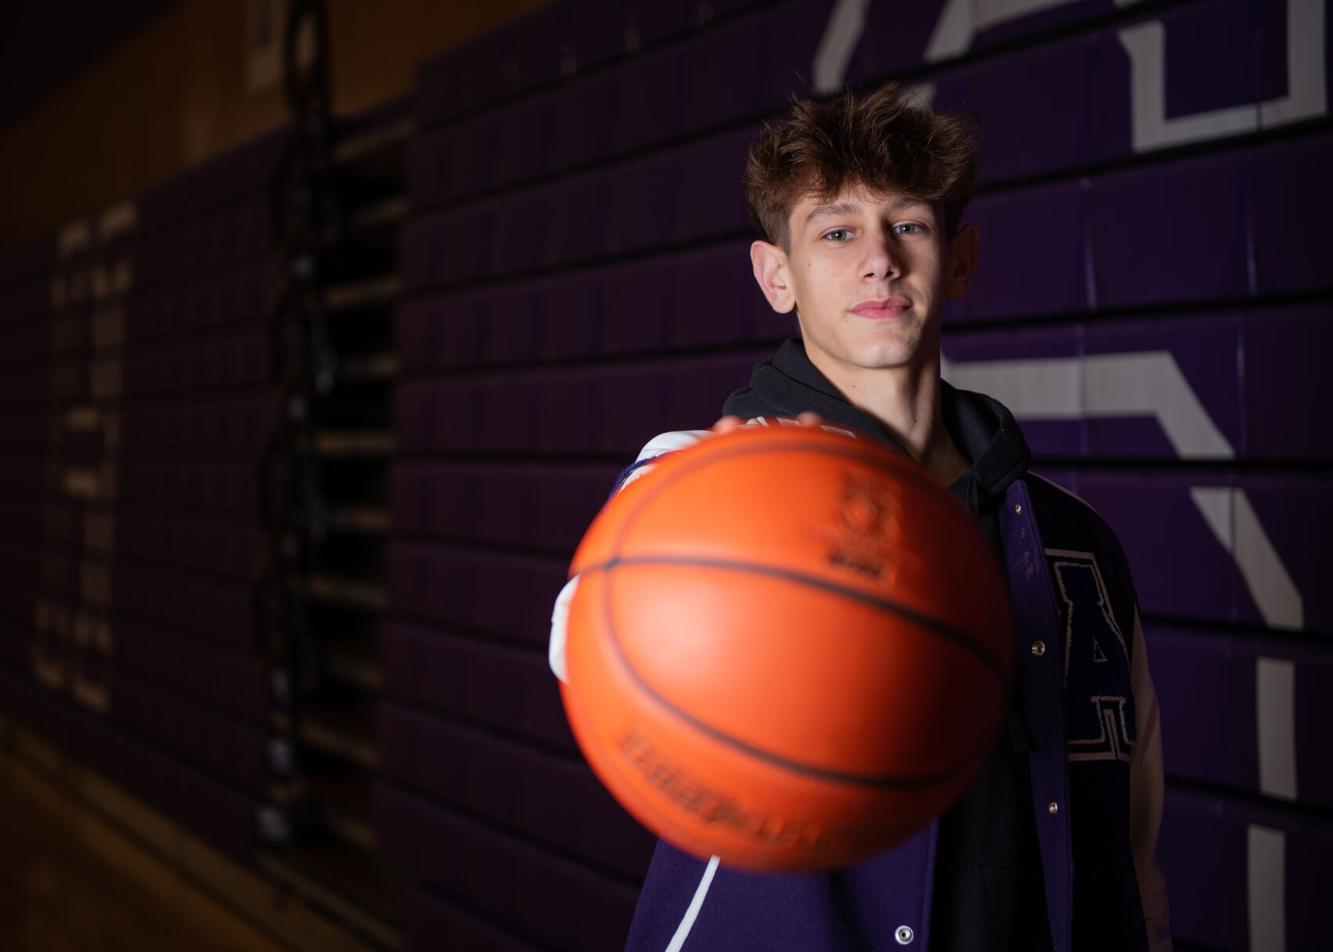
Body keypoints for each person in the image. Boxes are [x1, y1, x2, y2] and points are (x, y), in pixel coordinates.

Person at [551, 82, 1171, 952]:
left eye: (909, 225)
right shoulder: (697, 473)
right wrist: (739, 531)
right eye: (836, 232)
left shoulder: (1075, 539)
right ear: (776, 276)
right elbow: (583, 636)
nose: (877, 259)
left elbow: (1131, 833)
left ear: (957, 260)